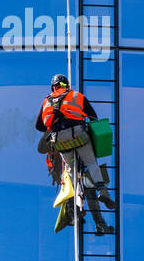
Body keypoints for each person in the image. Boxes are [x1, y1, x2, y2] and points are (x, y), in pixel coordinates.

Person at [35, 74, 116, 236]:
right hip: (79, 135)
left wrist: (55, 126)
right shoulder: (77, 96)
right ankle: (102, 191)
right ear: (67, 85)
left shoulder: (47, 101)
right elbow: (94, 118)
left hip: (60, 140)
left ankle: (77, 208)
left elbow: (39, 126)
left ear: (53, 87)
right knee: (91, 163)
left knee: (72, 172)